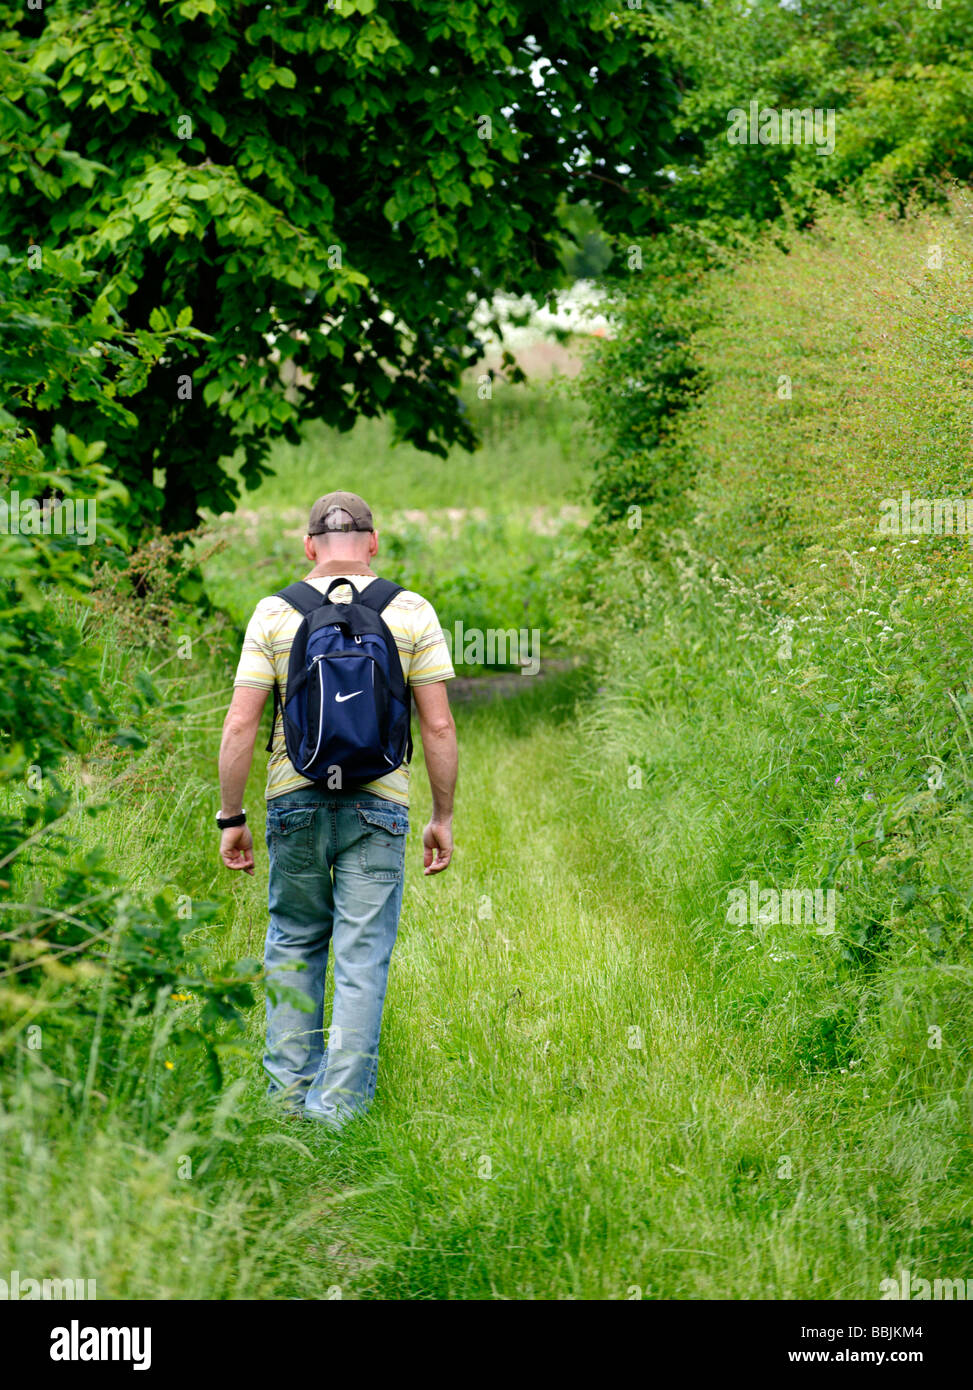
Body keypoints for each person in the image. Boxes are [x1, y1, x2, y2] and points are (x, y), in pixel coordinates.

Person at [217, 491, 457, 1128]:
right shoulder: (410, 612)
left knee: (293, 941)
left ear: (309, 547)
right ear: (373, 543)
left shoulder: (274, 613)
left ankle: (286, 1101)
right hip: (380, 803)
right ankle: (338, 1112)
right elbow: (437, 729)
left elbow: (242, 725)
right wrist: (442, 816)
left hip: (294, 797)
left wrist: (231, 815)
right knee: (361, 954)